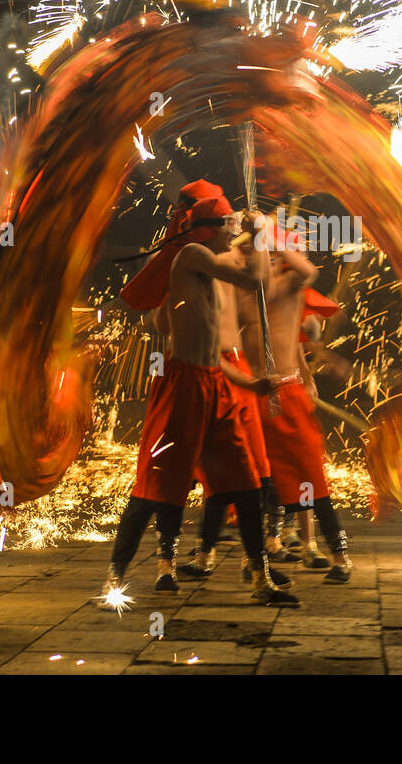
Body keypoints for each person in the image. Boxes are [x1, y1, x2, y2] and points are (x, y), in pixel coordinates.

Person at [101, 188, 298, 608]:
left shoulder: (213, 261)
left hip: (216, 382)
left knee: (245, 483)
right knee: (156, 485)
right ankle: (114, 579)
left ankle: (260, 578)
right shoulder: (191, 255)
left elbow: (217, 350)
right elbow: (254, 278)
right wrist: (259, 233)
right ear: (208, 229)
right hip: (183, 386)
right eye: (225, 224)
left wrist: (250, 386)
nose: (232, 232)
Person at [240, 223, 353, 584]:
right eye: (262, 260)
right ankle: (255, 558)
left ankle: (339, 555)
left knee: (312, 478)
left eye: (273, 260)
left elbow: (308, 271)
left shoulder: (289, 291)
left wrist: (266, 232)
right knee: (256, 484)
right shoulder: (243, 295)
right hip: (253, 395)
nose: (268, 266)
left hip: (287, 395)